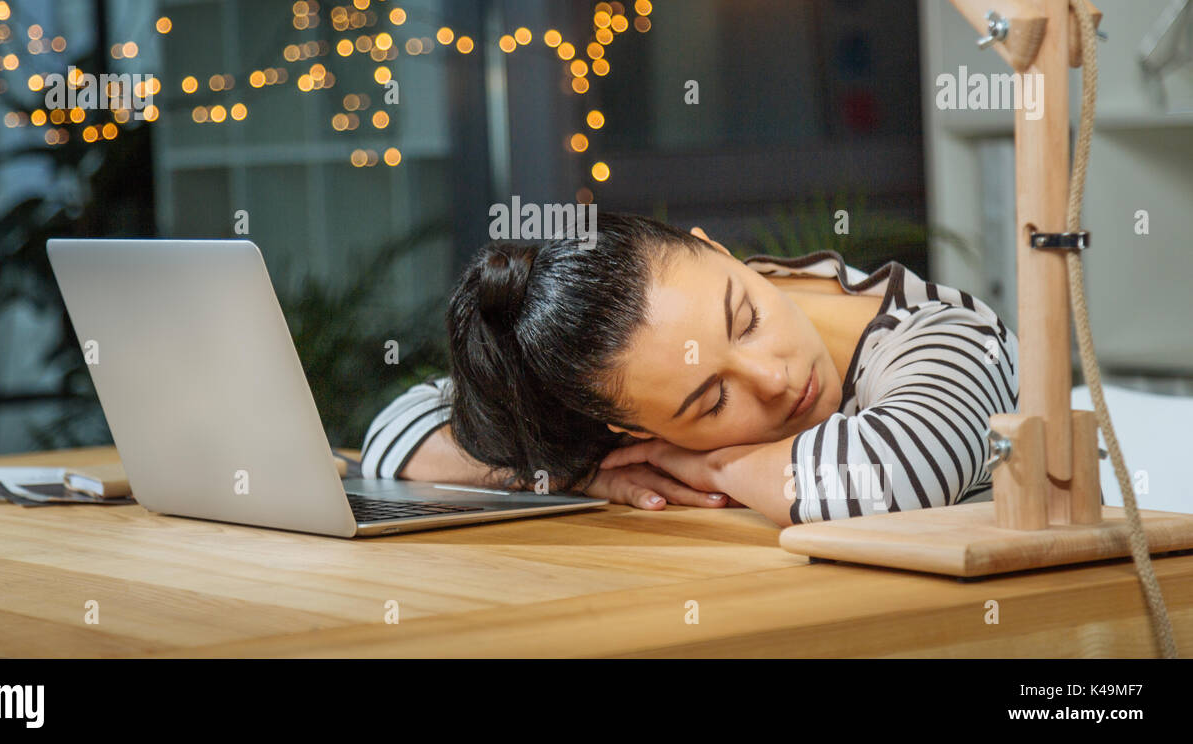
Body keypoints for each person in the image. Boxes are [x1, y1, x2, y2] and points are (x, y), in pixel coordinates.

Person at [361, 212, 1017, 527]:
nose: (774, 379)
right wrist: (585, 469)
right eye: (711, 401)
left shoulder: (950, 334)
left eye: (747, 317)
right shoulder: (625, 409)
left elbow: (896, 473)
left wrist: (703, 465)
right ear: (632, 430)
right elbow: (395, 436)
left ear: (718, 251)